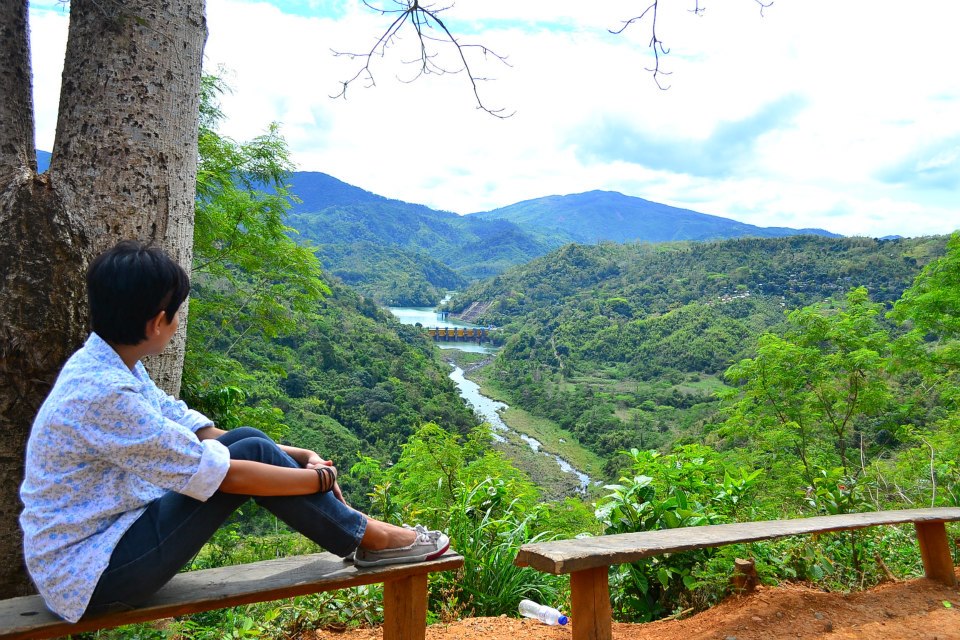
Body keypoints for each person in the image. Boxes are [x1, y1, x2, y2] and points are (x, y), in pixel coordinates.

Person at [19, 240, 449, 623]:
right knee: (247, 455)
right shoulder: (106, 394)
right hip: (94, 576)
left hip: (102, 548)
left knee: (246, 438)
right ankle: (370, 536)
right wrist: (322, 477)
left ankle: (366, 535)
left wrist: (297, 454)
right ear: (157, 323)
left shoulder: (106, 363)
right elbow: (224, 476)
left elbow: (187, 422)